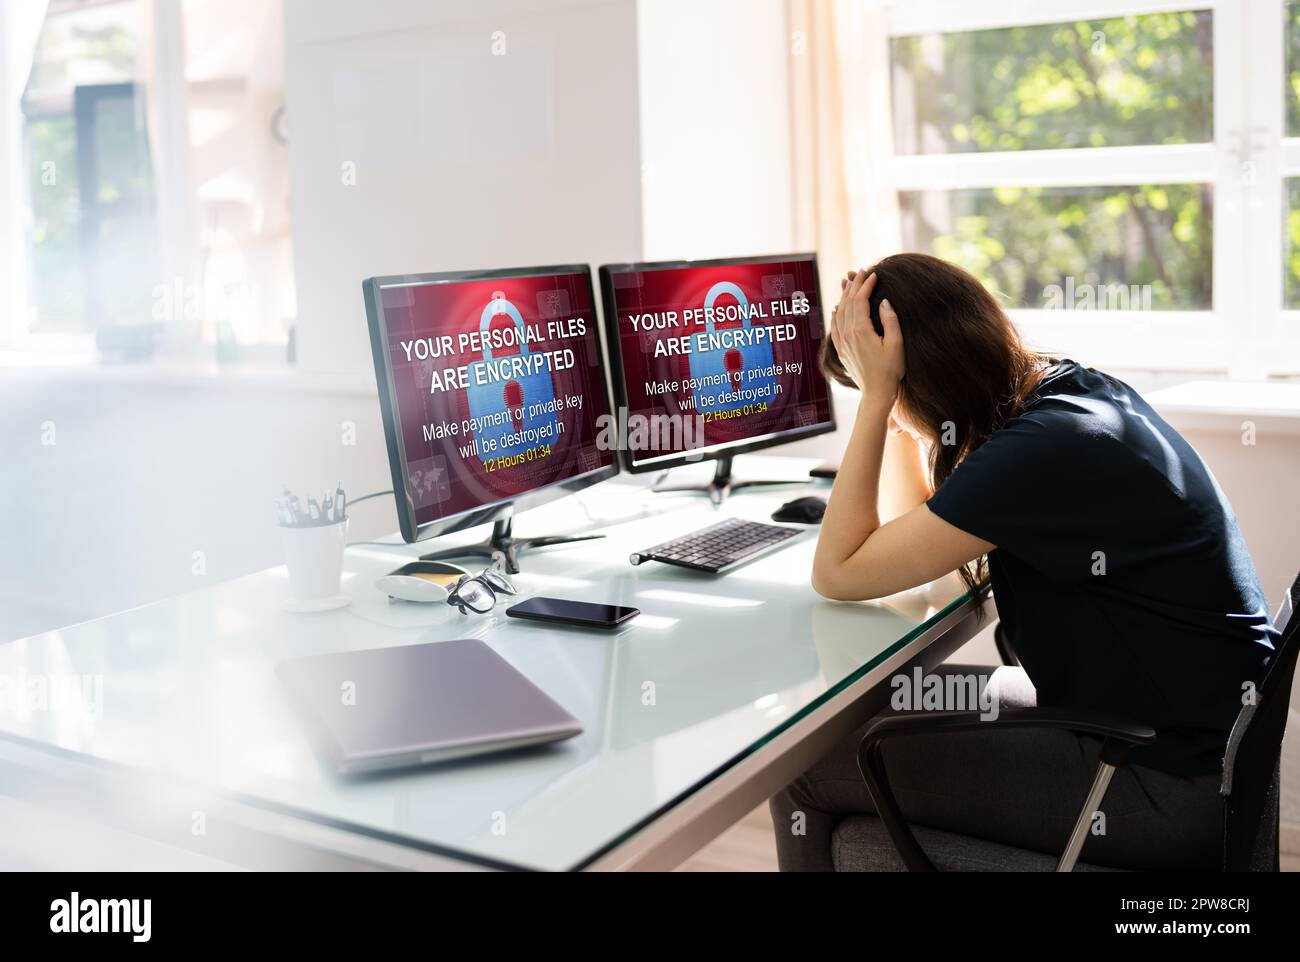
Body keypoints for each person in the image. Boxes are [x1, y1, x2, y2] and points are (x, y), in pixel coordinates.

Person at [771, 252, 1279, 871]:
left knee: (798, 768)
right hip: (1184, 748)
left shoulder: (1036, 453)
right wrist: (898, 402)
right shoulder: (1065, 394)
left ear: (917, 376)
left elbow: (840, 572)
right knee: (889, 708)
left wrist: (878, 399)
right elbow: (920, 549)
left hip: (1153, 782)